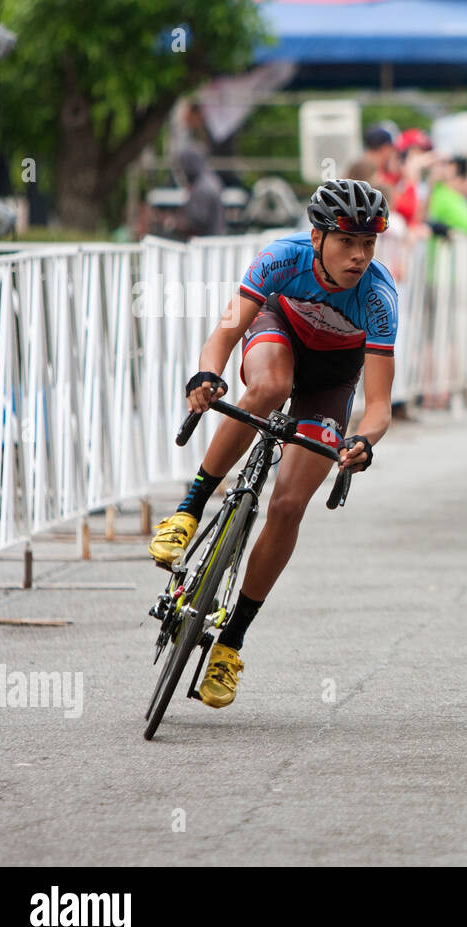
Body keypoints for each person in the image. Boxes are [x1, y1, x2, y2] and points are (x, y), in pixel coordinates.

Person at [147, 179, 397, 709]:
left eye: (369, 244)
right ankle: (189, 511)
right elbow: (224, 334)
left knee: (287, 506)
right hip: (278, 333)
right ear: (316, 236)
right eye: (347, 242)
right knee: (267, 387)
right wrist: (207, 377)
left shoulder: (378, 296)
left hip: (332, 378)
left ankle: (230, 644)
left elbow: (379, 406)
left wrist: (363, 441)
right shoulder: (282, 259)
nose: (359, 256)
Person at [175, 147, 226, 238]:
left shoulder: (201, 187)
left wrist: (174, 224)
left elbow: (197, 221)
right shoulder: (212, 179)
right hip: (215, 238)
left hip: (205, 242)